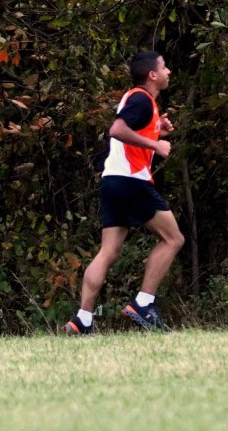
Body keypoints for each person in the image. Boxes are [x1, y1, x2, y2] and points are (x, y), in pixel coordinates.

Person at [63, 49, 184, 334]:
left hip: (112, 181)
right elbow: (117, 130)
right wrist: (156, 145)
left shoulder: (138, 100)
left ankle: (83, 319)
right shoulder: (142, 99)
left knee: (109, 251)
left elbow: (131, 132)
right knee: (173, 238)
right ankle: (143, 304)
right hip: (132, 181)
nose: (168, 72)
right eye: (164, 67)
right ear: (152, 75)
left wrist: (157, 131)